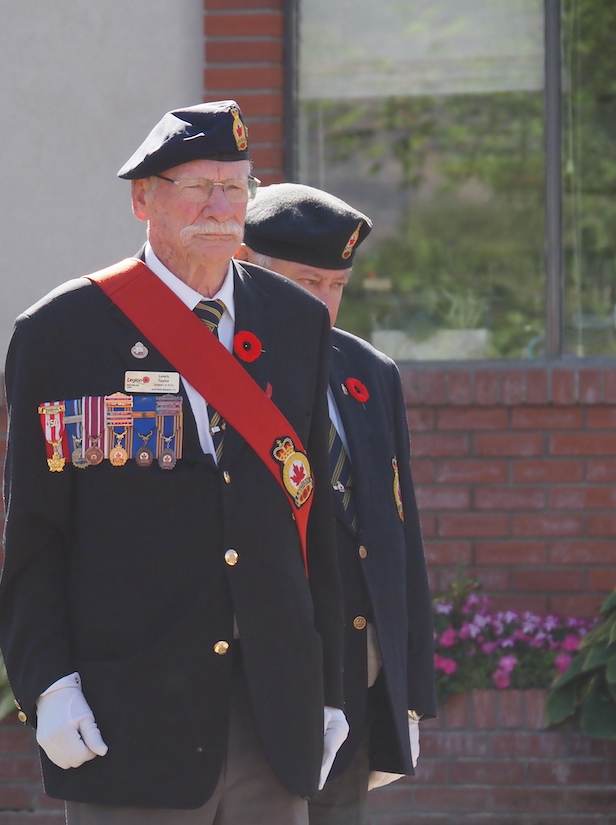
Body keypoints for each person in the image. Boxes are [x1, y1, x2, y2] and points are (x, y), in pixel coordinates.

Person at [0, 101, 348, 825]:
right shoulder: (63, 332)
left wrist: (332, 680)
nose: (221, 207)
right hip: (131, 713)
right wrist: (48, 683)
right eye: (198, 186)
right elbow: (35, 538)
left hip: (272, 713)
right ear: (141, 198)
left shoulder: (296, 322)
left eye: (237, 186)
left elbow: (320, 522)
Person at [237, 182, 438, 824]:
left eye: (336, 285)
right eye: (305, 282)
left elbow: (397, 535)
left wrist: (409, 689)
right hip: (258, 687)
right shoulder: (219, 370)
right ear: (247, 268)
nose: (323, 303)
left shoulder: (369, 372)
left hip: (355, 684)